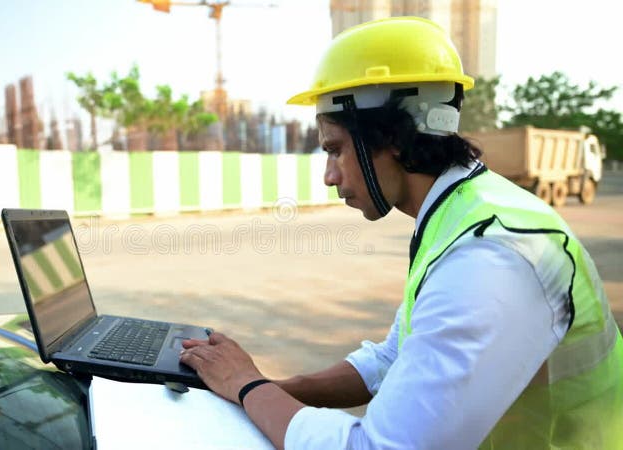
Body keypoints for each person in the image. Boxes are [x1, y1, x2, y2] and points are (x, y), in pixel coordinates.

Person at [180, 16, 623, 449]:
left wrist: (247, 387)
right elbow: (392, 358)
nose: (329, 176)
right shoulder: (459, 214)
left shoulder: (491, 256)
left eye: (335, 149)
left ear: (393, 135)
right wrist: (276, 387)